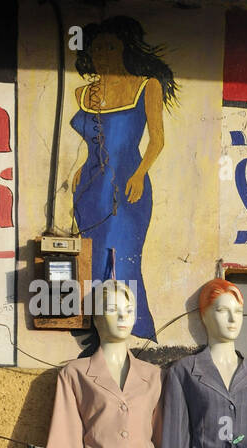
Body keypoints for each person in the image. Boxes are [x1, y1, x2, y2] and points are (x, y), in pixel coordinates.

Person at [70, 16, 178, 341]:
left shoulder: (147, 85)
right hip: (90, 187)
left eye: (111, 45)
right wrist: (78, 170)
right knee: (94, 254)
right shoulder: (83, 93)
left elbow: (157, 140)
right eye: (98, 46)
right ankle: (93, 333)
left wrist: (141, 172)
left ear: (124, 48)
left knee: (124, 253)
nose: (104, 52)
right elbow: (87, 145)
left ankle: (133, 333)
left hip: (129, 184)